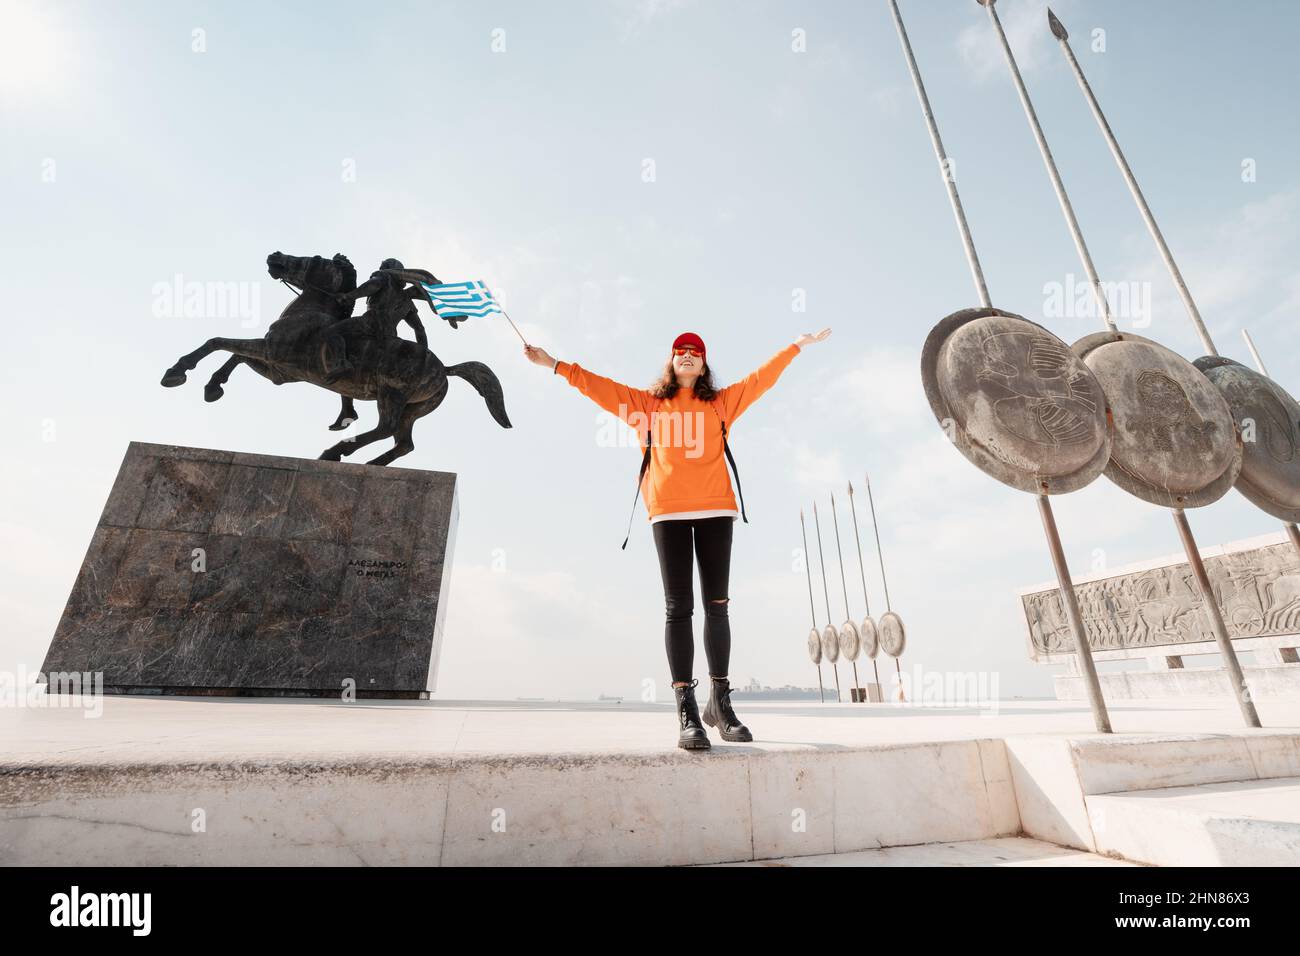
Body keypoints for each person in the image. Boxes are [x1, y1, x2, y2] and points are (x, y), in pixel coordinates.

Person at [525, 327, 832, 750]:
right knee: (678, 608)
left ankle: (720, 704)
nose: (687, 355)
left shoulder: (721, 404)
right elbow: (598, 387)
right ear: (672, 362)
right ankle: (687, 710)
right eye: (680, 351)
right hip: (667, 512)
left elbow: (761, 378)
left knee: (718, 607)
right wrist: (554, 364)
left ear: (703, 365)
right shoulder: (646, 406)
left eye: (695, 352)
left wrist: (796, 346)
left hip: (716, 510)